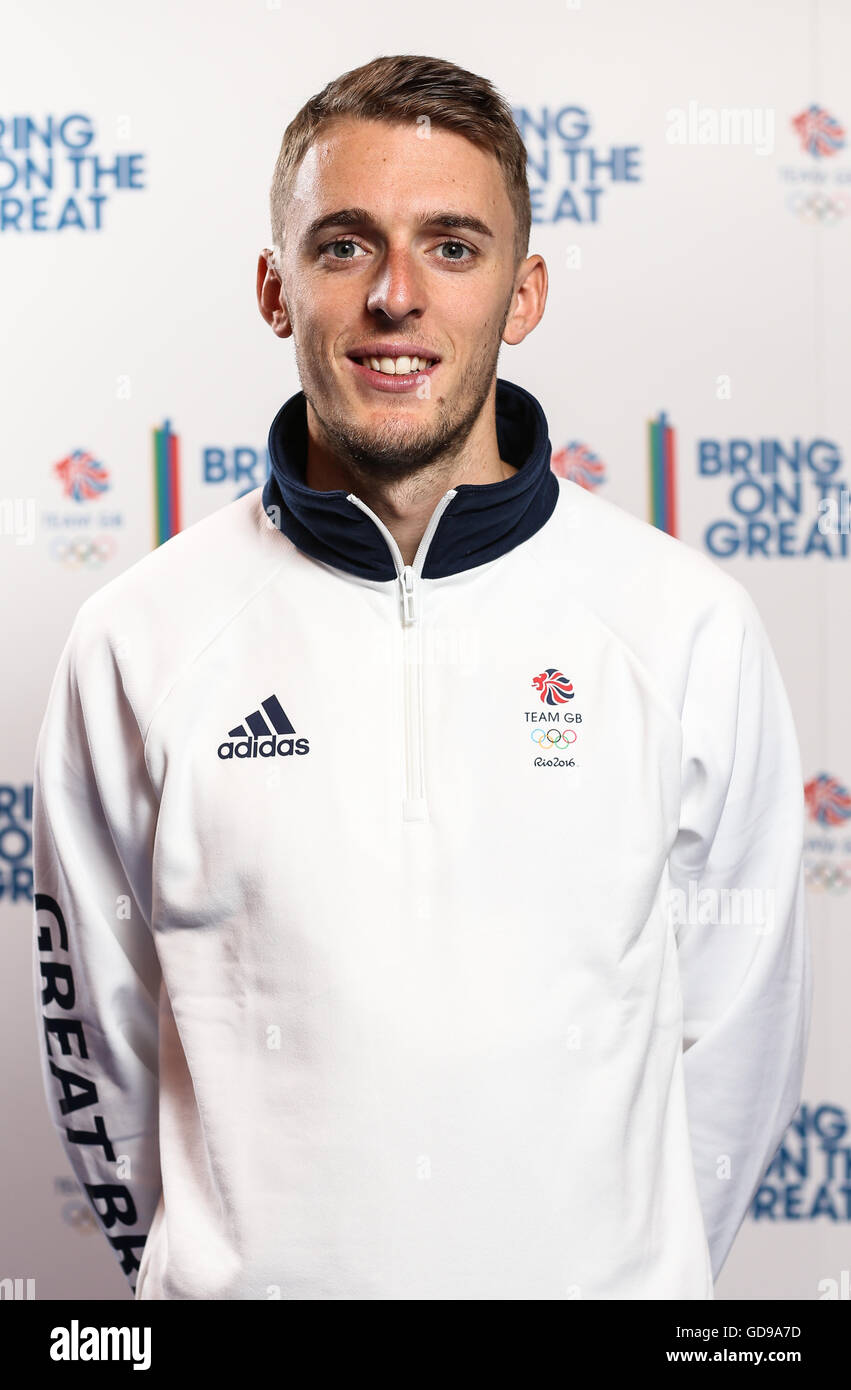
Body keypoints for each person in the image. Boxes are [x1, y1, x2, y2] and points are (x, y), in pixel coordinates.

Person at [31, 52, 811, 1301]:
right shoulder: (139, 639)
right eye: (344, 246)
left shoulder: (684, 629)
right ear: (274, 288)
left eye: (452, 246)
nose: (397, 295)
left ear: (523, 293)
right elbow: (101, 1058)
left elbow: (738, 1052)